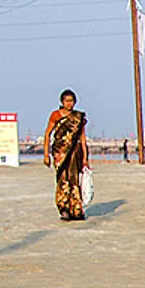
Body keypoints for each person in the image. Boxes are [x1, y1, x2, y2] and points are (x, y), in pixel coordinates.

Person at [42, 89, 89, 221]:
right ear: (62, 102)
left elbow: (83, 138)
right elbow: (47, 134)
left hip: (74, 152)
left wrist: (85, 157)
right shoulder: (56, 115)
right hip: (59, 153)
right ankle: (63, 209)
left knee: (74, 180)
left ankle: (76, 209)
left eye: (71, 101)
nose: (69, 104)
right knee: (62, 180)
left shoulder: (78, 118)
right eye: (67, 101)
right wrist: (46, 154)